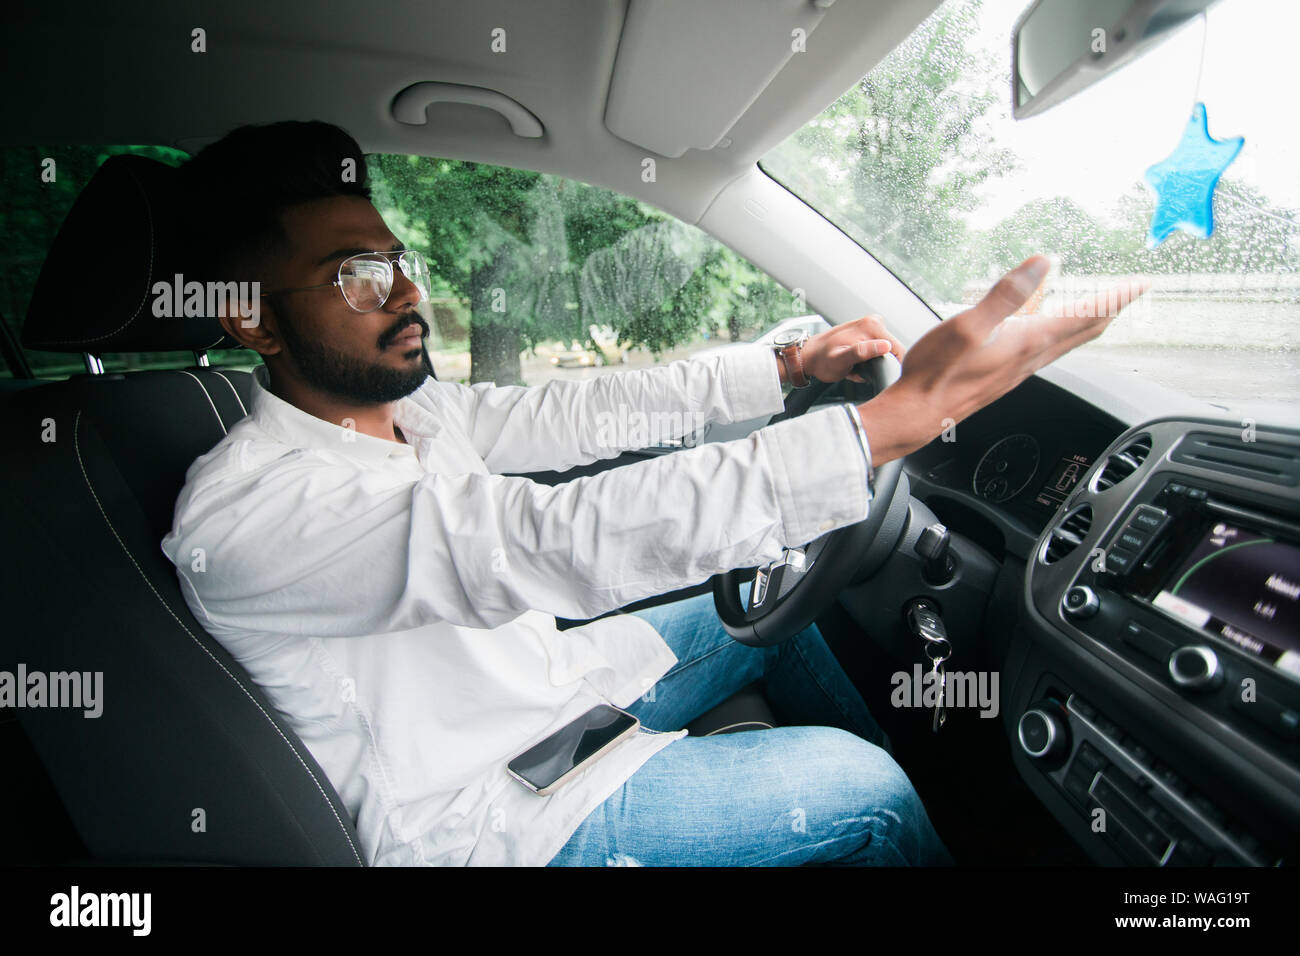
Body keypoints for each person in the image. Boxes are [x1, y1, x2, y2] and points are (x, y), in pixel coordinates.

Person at [161, 121, 1145, 867]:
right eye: (357, 275)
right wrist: (879, 429)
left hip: (547, 694)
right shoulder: (246, 516)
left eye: (400, 260)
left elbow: (585, 412)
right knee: (866, 788)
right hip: (485, 812)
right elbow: (542, 541)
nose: (406, 292)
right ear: (250, 320)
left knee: (764, 607)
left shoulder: (419, 413)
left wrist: (787, 365)